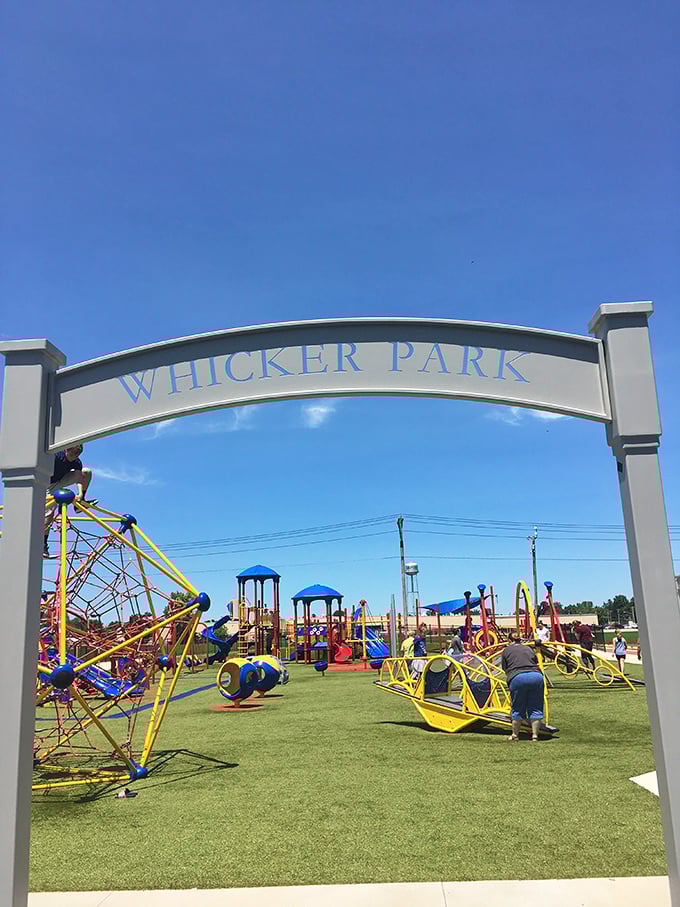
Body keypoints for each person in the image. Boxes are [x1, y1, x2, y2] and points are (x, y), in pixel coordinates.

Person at [44, 445, 97, 556]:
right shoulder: (57, 456)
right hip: (46, 484)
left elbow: (79, 479)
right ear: (67, 449)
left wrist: (80, 494)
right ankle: (43, 544)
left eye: (78, 453)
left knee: (86, 472)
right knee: (49, 511)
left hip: (60, 482)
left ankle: (79, 504)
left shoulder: (77, 462)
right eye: (73, 452)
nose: (75, 455)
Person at [501, 630, 546, 742]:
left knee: (517, 707)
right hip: (536, 676)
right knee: (536, 706)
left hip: (518, 677)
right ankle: (535, 735)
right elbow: (535, 661)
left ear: (509, 640)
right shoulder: (528, 648)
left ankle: (515, 735)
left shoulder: (506, 650)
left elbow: (505, 668)